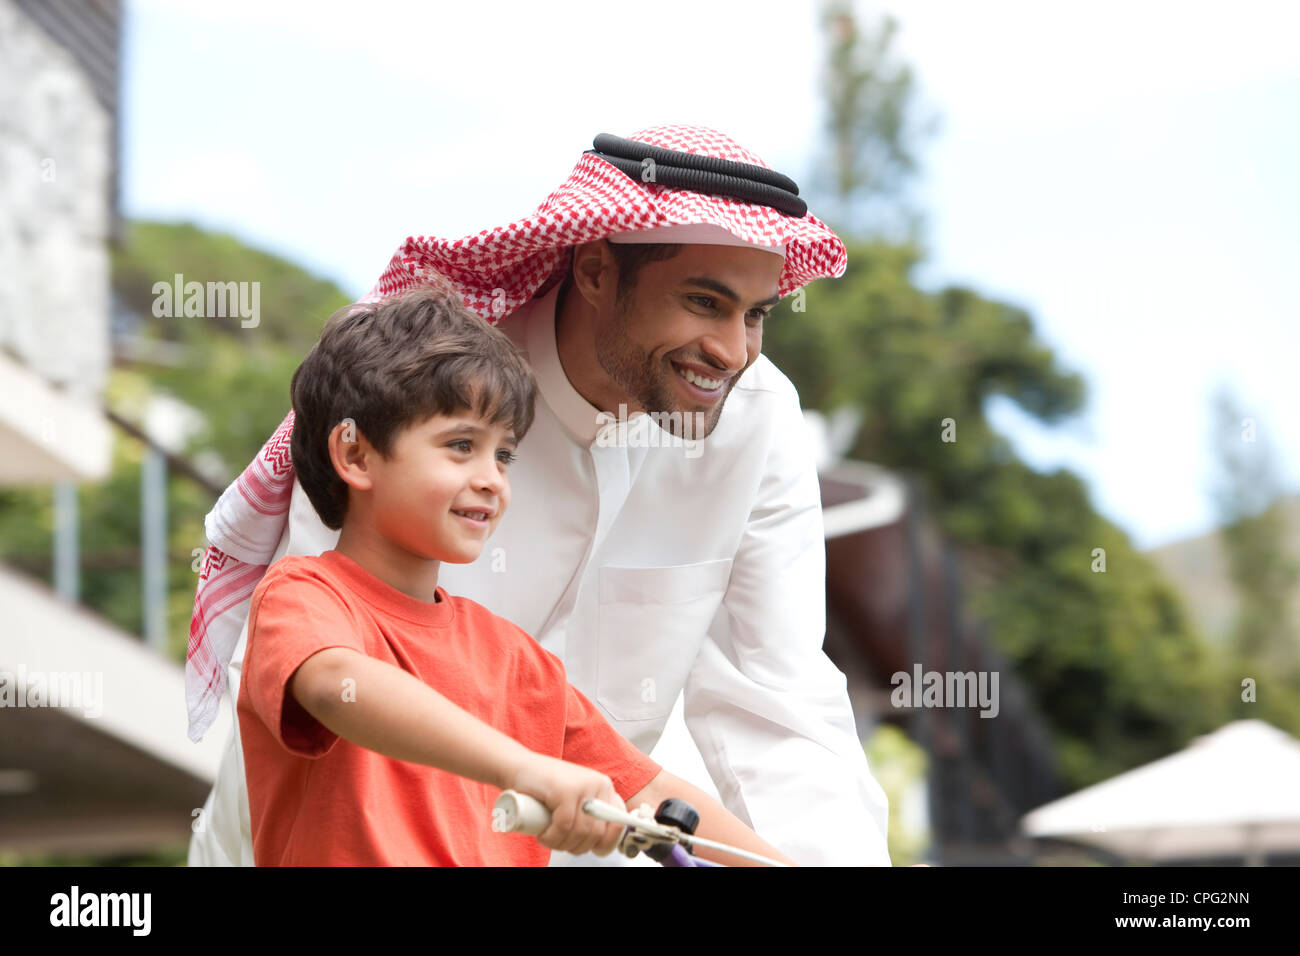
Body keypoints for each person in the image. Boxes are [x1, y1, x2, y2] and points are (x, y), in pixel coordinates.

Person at [187, 125, 892, 866]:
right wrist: (517, 765)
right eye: (702, 301)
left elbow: (767, 707)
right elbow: (337, 680)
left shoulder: (755, 421)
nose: (732, 351)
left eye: (754, 315)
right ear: (593, 269)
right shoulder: (416, 379)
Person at [238, 287, 792, 865]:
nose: (492, 480)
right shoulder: (303, 596)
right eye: (460, 446)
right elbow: (336, 686)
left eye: (503, 455)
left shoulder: (515, 660)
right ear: (355, 457)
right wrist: (525, 768)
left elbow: (649, 791)